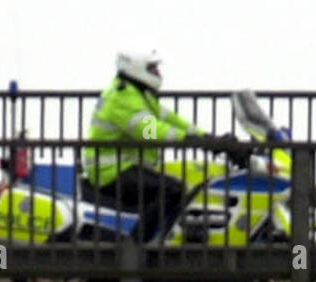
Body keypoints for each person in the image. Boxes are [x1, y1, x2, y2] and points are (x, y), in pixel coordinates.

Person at [80, 51, 240, 242]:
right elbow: (150, 130)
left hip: (126, 167)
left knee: (184, 182)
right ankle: (135, 245)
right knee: (172, 190)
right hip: (110, 171)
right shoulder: (121, 97)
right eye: (152, 68)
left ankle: (170, 237)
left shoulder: (138, 94)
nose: (157, 72)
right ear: (135, 68)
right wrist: (191, 140)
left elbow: (172, 120)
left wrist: (207, 137)